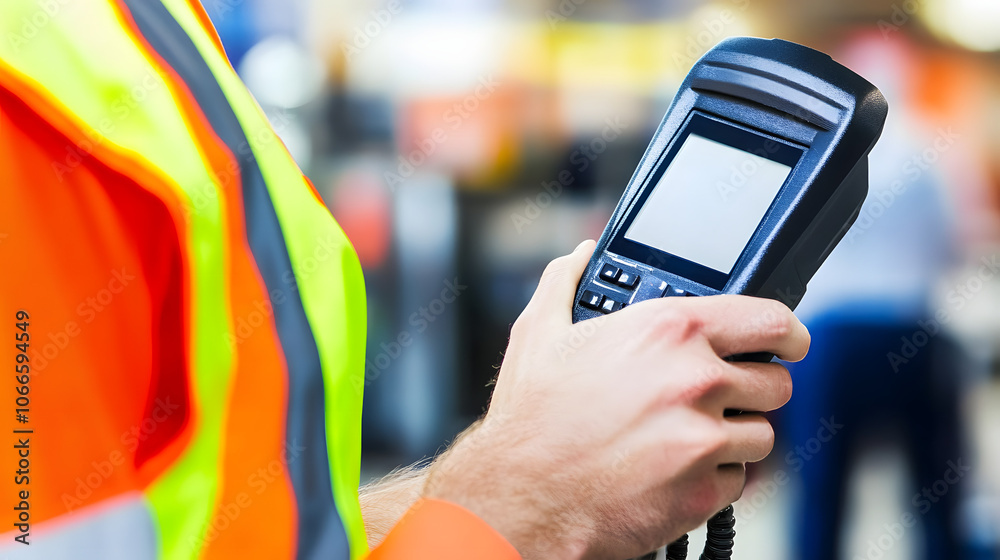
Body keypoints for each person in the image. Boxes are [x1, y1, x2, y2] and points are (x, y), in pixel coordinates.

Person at [0, 0, 809, 558]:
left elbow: (213, 533)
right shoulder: (38, 93)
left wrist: (511, 469)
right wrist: (519, 511)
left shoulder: (126, 34)